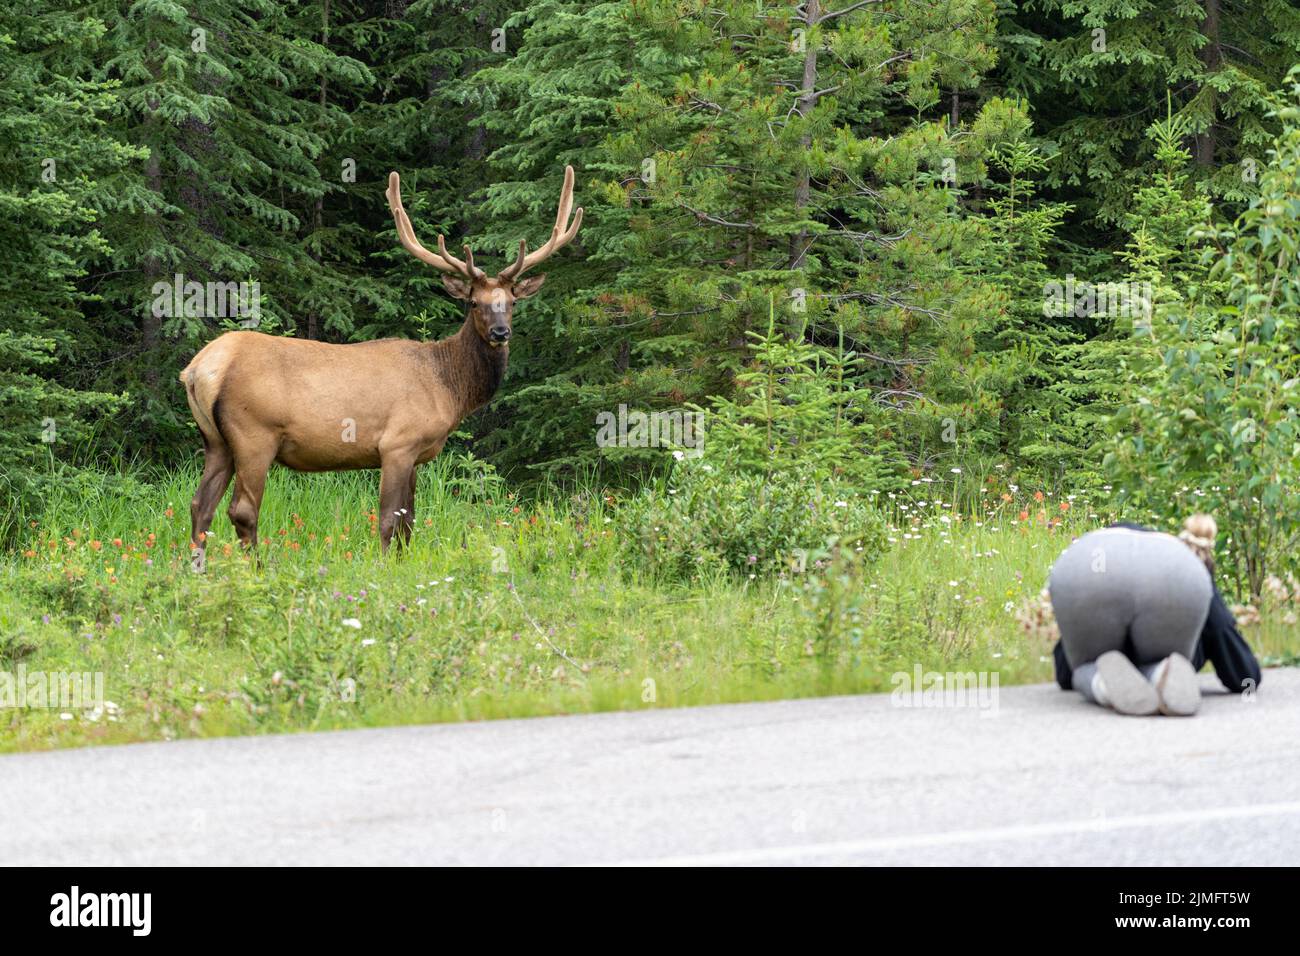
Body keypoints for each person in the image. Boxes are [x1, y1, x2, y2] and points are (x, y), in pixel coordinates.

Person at [1048, 515, 1261, 716]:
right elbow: (1221, 629)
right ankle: (1162, 672)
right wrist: (1246, 676)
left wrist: (1071, 669)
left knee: (1086, 667)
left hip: (1086, 563)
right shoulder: (1180, 563)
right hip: (1166, 581)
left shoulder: (1111, 549)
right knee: (1164, 657)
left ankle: (1102, 684)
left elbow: (1067, 664)